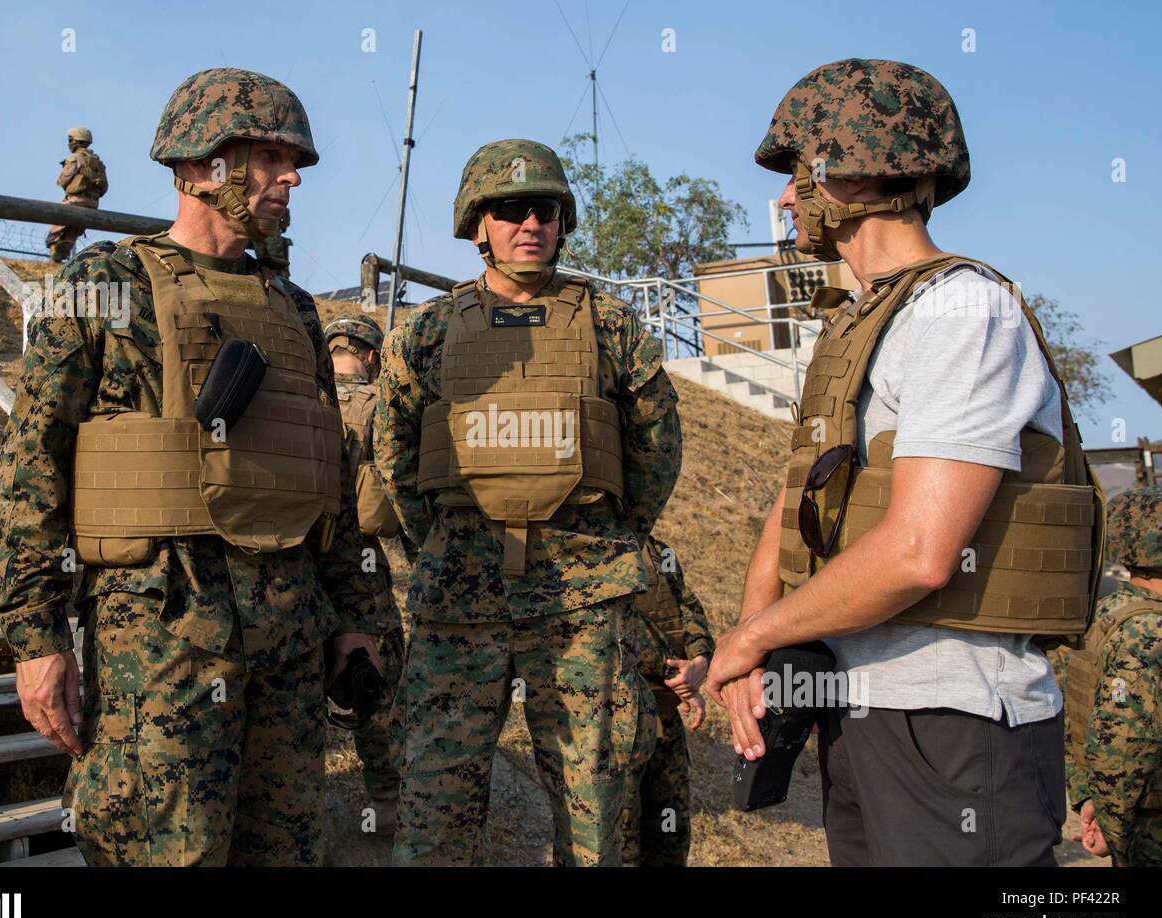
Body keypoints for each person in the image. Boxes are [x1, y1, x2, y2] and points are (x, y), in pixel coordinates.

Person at [704, 59, 1102, 866]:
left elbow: (921, 553)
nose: (784, 199)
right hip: (861, 708)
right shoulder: (857, 321)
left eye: (793, 174)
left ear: (840, 174)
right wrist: (753, 641)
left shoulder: (961, 312)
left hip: (953, 724)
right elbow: (798, 500)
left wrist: (759, 637)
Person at [0, 67, 385, 866]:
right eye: (268, 158)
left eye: (292, 160)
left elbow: (327, 476)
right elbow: (29, 470)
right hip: (164, 638)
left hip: (289, 639)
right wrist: (35, 639)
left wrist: (357, 617)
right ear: (203, 167)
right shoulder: (105, 286)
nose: (292, 177)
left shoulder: (296, 310)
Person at [376, 138, 681, 866]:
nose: (529, 224)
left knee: (595, 810)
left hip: (582, 600)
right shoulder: (425, 331)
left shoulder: (612, 327)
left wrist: (600, 537)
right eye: (509, 209)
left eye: (544, 208)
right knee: (435, 810)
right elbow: (395, 459)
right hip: (459, 598)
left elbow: (654, 451)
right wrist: (451, 546)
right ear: (477, 224)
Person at [325, 311, 408, 826]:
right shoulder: (381, 407)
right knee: (377, 687)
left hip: (291, 565)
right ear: (373, 356)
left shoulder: (296, 399)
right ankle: (389, 798)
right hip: (363, 567)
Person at [1063, 486, 1162, 866]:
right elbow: (1123, 749)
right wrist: (1114, 826)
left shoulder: (1100, 614)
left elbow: (1070, 716)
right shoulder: (1151, 631)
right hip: (1153, 833)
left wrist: (1089, 799)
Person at [624, 535, 713, 867]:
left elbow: (687, 605)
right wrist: (675, 673)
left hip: (665, 719)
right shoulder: (596, 546)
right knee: (621, 843)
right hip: (618, 722)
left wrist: (700, 660)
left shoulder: (658, 550)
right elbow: (618, 623)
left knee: (669, 838)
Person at [46, 127, 108, 262]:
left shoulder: (75, 159)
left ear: (77, 141)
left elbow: (63, 180)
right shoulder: (98, 162)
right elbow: (105, 187)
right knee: (72, 233)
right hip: (93, 204)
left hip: (75, 201)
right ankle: (59, 258)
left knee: (54, 233)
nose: (69, 143)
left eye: (70, 140)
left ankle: (55, 257)